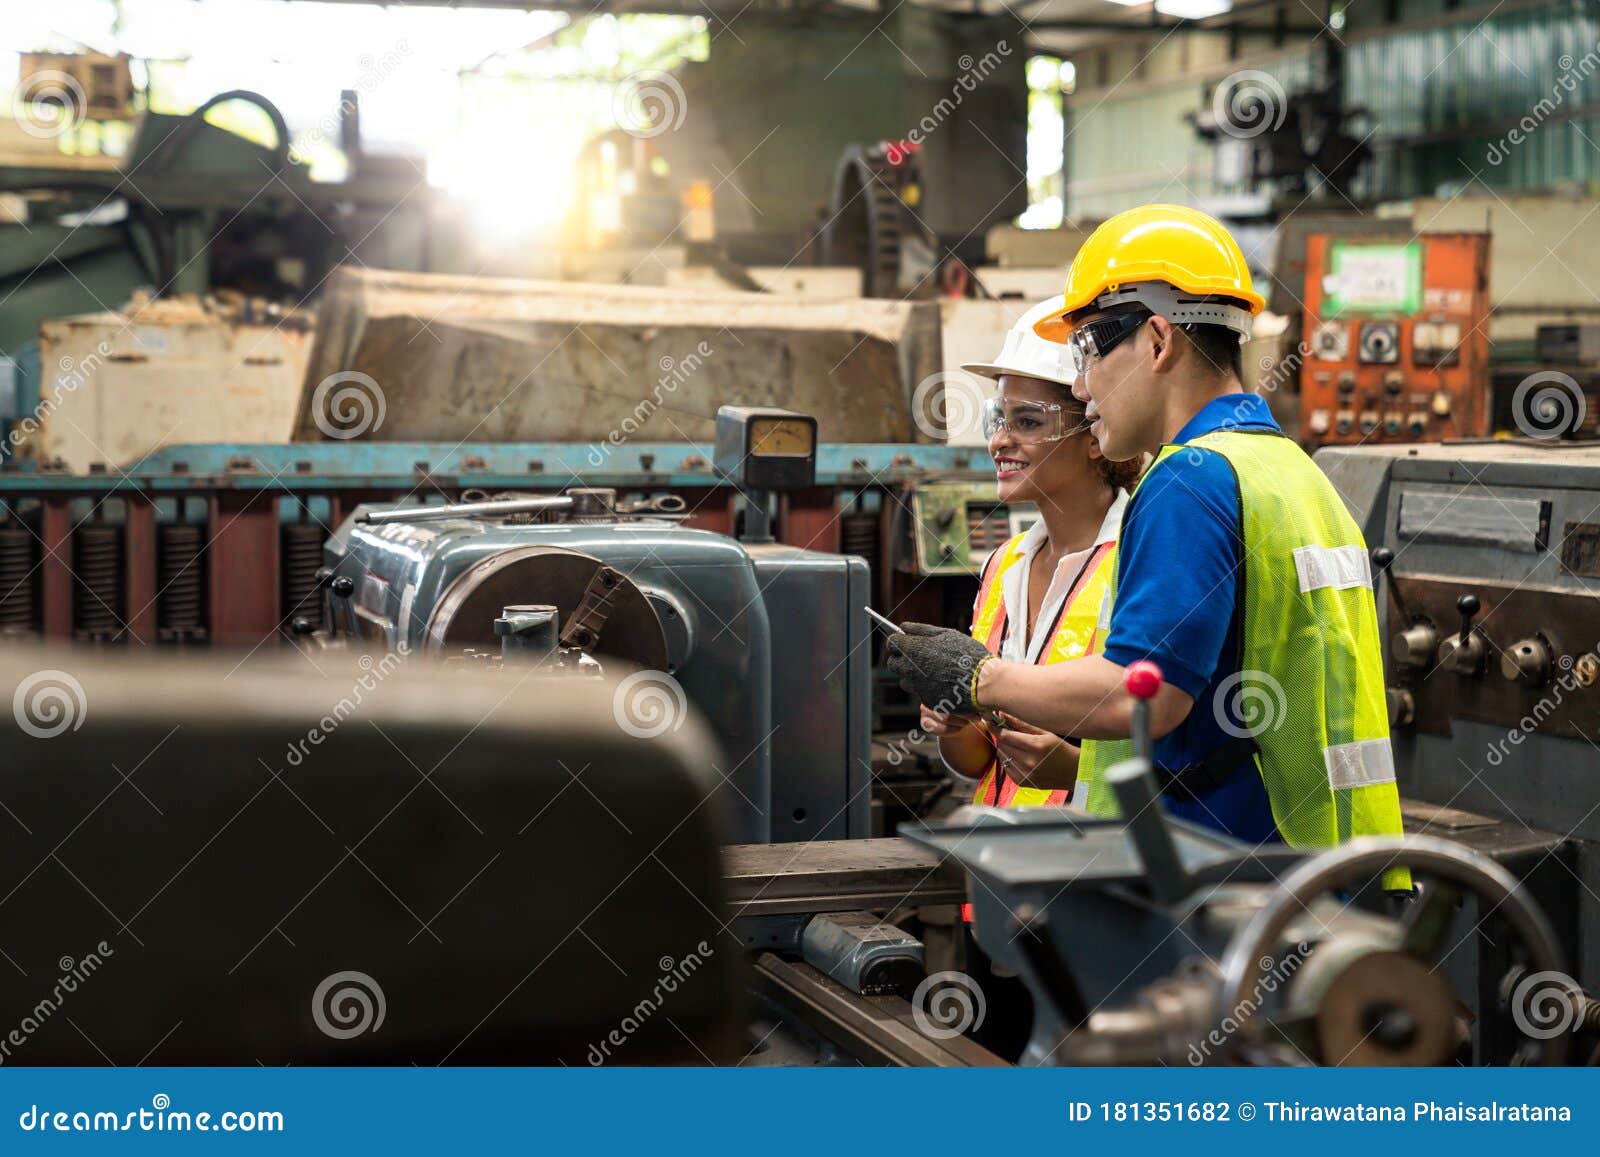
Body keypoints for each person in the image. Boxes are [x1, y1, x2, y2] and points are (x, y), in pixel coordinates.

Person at [886, 205, 1406, 883]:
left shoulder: (1188, 480)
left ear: (1158, 340)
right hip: (1331, 868)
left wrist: (980, 678)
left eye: (1088, 352)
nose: (1081, 384)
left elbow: (1146, 694)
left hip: (1232, 878)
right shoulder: (1290, 469)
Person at [925, 299, 1140, 809]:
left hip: (1095, 864)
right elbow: (979, 760)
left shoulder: (1140, 559)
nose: (999, 441)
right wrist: (954, 723)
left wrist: (1073, 769)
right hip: (1004, 865)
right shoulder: (1003, 565)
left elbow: (1180, 752)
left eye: (1026, 422)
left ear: (1094, 432)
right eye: (997, 418)